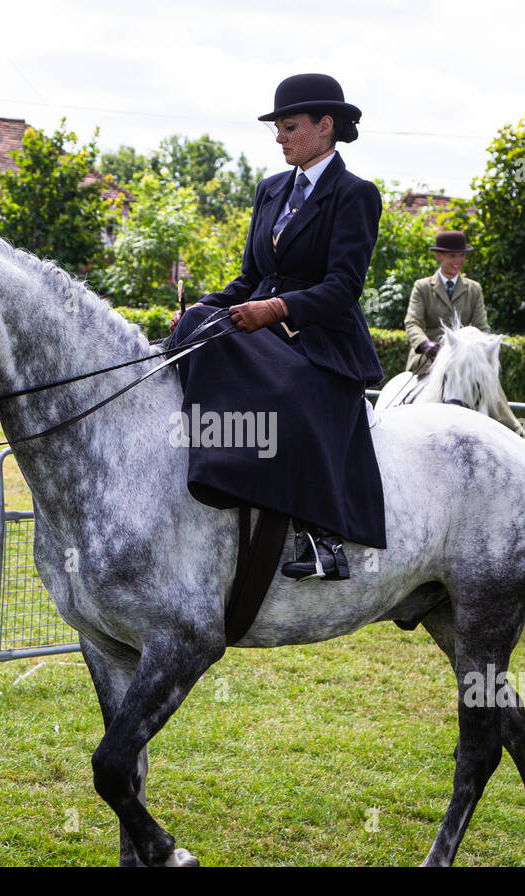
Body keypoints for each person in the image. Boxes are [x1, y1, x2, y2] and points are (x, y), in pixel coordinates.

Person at [168, 73, 385, 581]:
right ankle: (219, 475)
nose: (280, 137)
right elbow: (250, 278)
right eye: (278, 129)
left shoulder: (355, 194)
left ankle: (322, 540)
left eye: (289, 127)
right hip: (259, 323)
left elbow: (342, 287)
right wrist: (201, 307)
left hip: (323, 336)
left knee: (290, 390)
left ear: (325, 125)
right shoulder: (269, 190)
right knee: (196, 330)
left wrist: (278, 309)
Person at [404, 231, 525, 436]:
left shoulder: (473, 289)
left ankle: (517, 432)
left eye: (462, 256)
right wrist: (425, 344)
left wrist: (476, 349)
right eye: (452, 256)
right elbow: (412, 322)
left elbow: (483, 327)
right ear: (439, 256)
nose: (458, 261)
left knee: (493, 389)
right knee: (406, 398)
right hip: (430, 357)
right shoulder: (422, 287)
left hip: (466, 359)